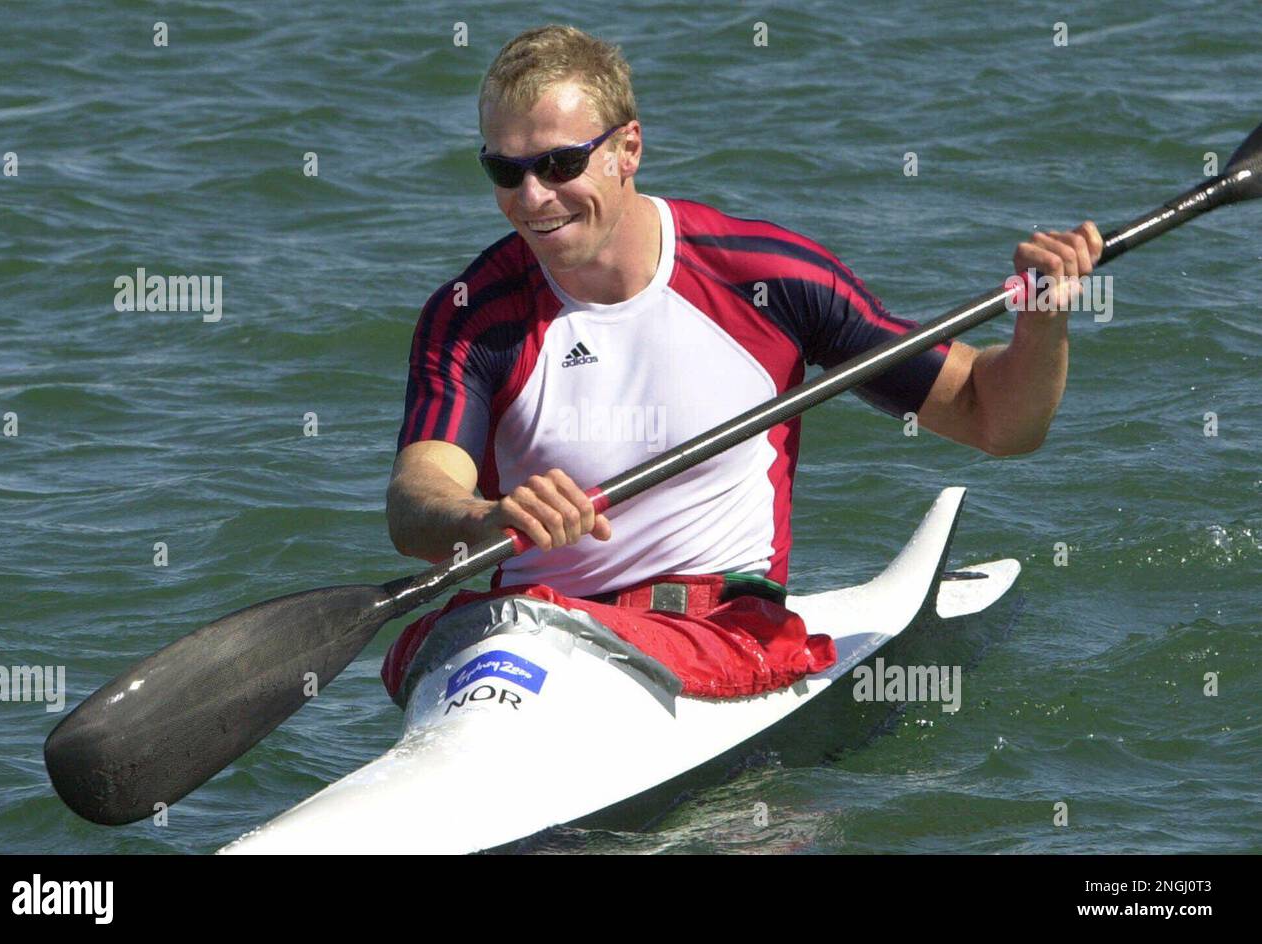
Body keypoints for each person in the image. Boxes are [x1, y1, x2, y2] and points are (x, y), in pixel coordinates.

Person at [380, 25, 1102, 703]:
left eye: (560, 164)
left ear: (628, 148)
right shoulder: (473, 315)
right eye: (504, 171)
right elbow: (419, 499)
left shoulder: (766, 280)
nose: (532, 197)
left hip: (717, 636)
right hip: (517, 639)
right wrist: (485, 514)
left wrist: (1043, 326)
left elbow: (996, 419)